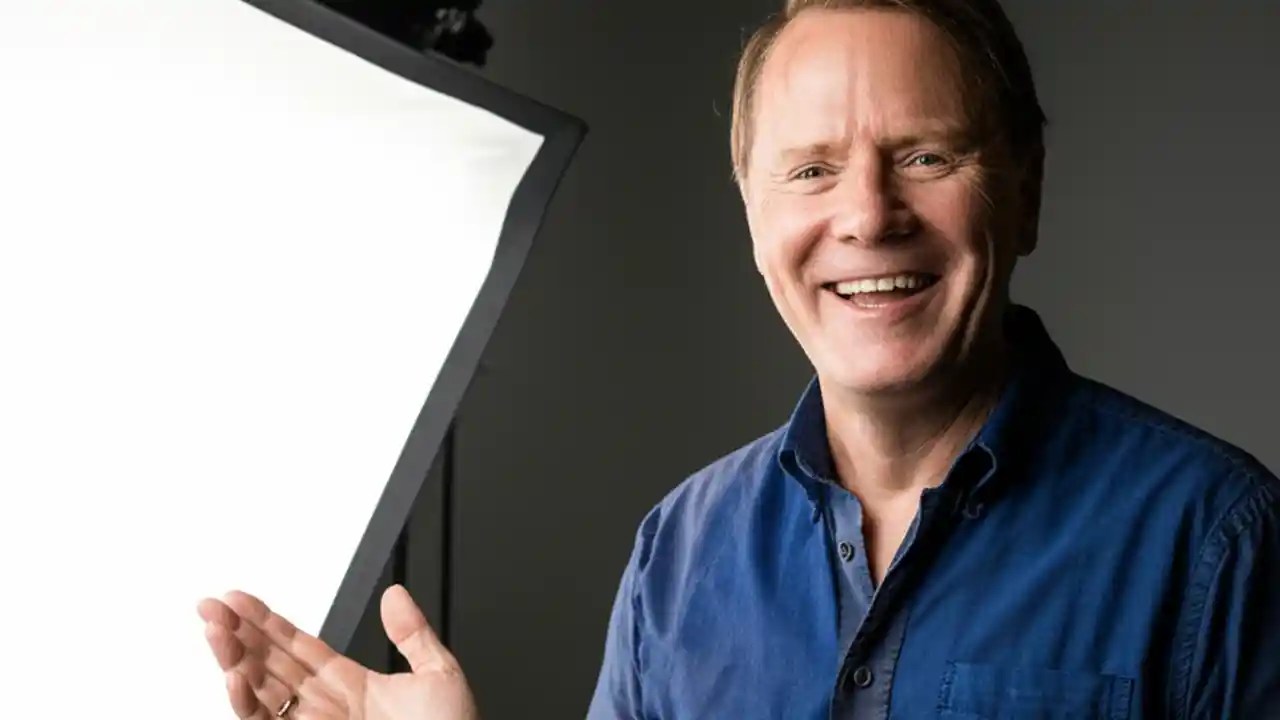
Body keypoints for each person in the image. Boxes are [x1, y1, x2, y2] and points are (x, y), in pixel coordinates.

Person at [197, 0, 1280, 717]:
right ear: (752, 213)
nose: (866, 215)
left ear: (1024, 189)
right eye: (809, 171)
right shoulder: (678, 552)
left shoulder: (1217, 540)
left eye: (923, 155)